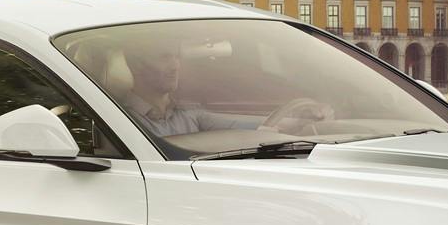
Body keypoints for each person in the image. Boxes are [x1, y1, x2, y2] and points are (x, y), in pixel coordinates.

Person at [120, 41, 330, 139]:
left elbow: (252, 126)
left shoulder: (189, 114)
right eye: (164, 57)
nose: (176, 66)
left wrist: (303, 119)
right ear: (136, 64)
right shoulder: (121, 120)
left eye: (176, 57)